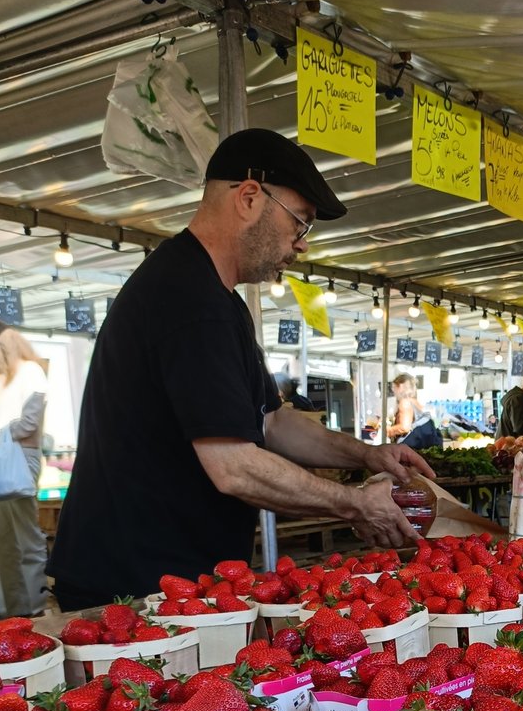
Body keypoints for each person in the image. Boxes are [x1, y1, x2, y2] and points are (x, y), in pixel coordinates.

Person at [49, 127, 432, 609]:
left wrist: (367, 456)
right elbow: (233, 467)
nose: (302, 245)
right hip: (131, 584)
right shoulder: (186, 298)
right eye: (301, 222)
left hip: (177, 575)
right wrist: (354, 503)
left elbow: (269, 422)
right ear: (250, 197)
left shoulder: (218, 300)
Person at [0, 322, 49, 617]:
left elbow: (29, 424)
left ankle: (34, 607)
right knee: (3, 539)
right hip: (3, 461)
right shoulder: (0, 379)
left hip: (21, 459)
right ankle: (12, 609)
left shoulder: (31, 373)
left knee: (26, 538)